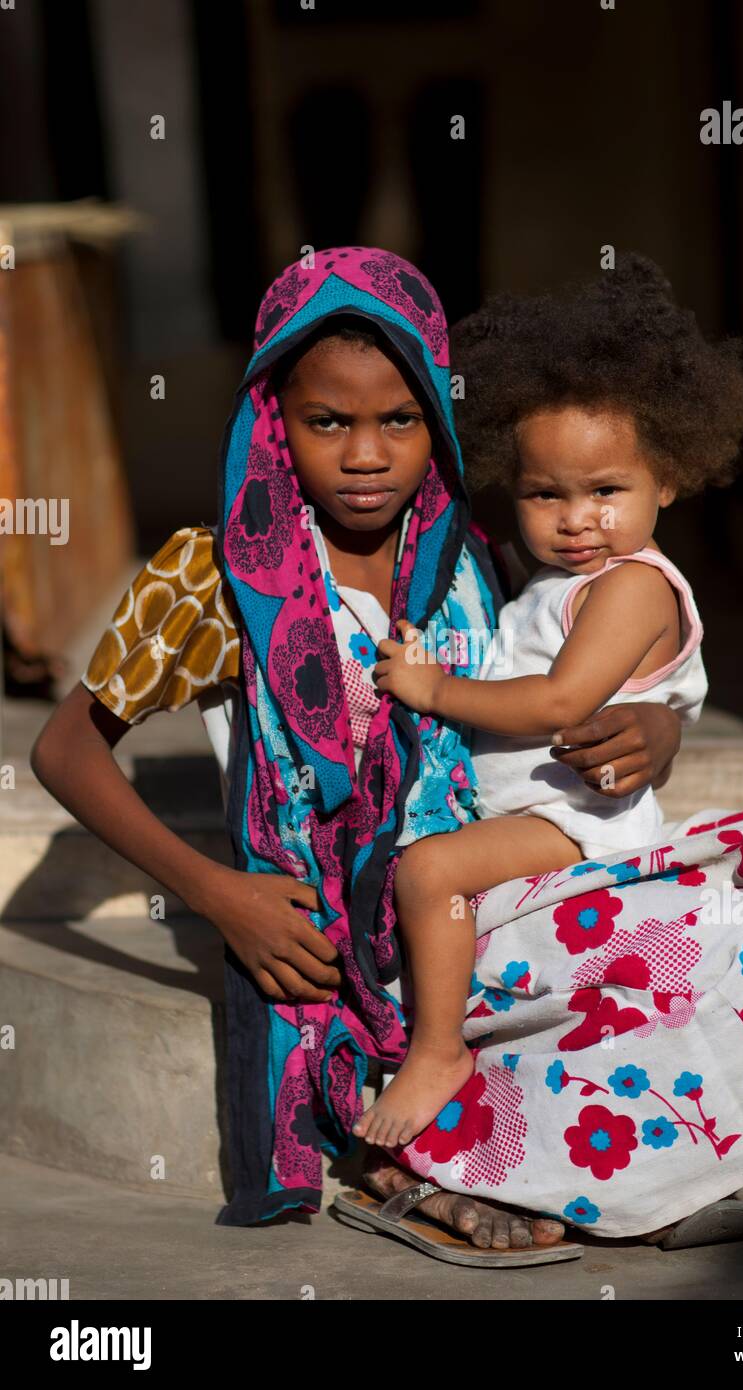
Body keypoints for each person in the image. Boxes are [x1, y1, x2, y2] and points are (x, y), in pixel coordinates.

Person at [30, 247, 687, 1261]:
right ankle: (425, 1174)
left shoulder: (474, 552)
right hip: (311, 922)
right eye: (327, 421)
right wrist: (216, 893)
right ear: (272, 420)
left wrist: (659, 730)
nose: (367, 453)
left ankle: (631, 1172)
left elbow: (569, 685)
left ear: (439, 420)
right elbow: (64, 750)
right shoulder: (213, 572)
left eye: (400, 419)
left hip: (466, 888)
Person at [354, 259, 724, 1149]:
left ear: (667, 480)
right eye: (543, 493)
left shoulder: (632, 585)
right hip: (542, 809)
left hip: (577, 815)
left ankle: (435, 1051)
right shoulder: (556, 581)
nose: (575, 518)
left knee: (428, 872)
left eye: (606, 491)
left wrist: (433, 688)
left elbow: (561, 699)